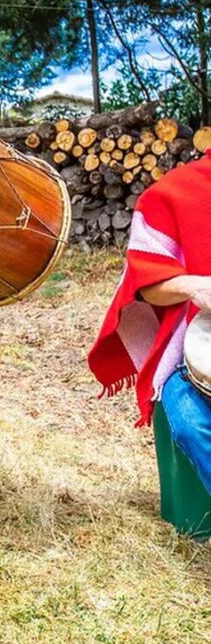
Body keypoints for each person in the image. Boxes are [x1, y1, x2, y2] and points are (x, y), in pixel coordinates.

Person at [89, 149, 211, 538]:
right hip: (192, 348)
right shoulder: (175, 192)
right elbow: (145, 285)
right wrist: (192, 285)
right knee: (191, 424)